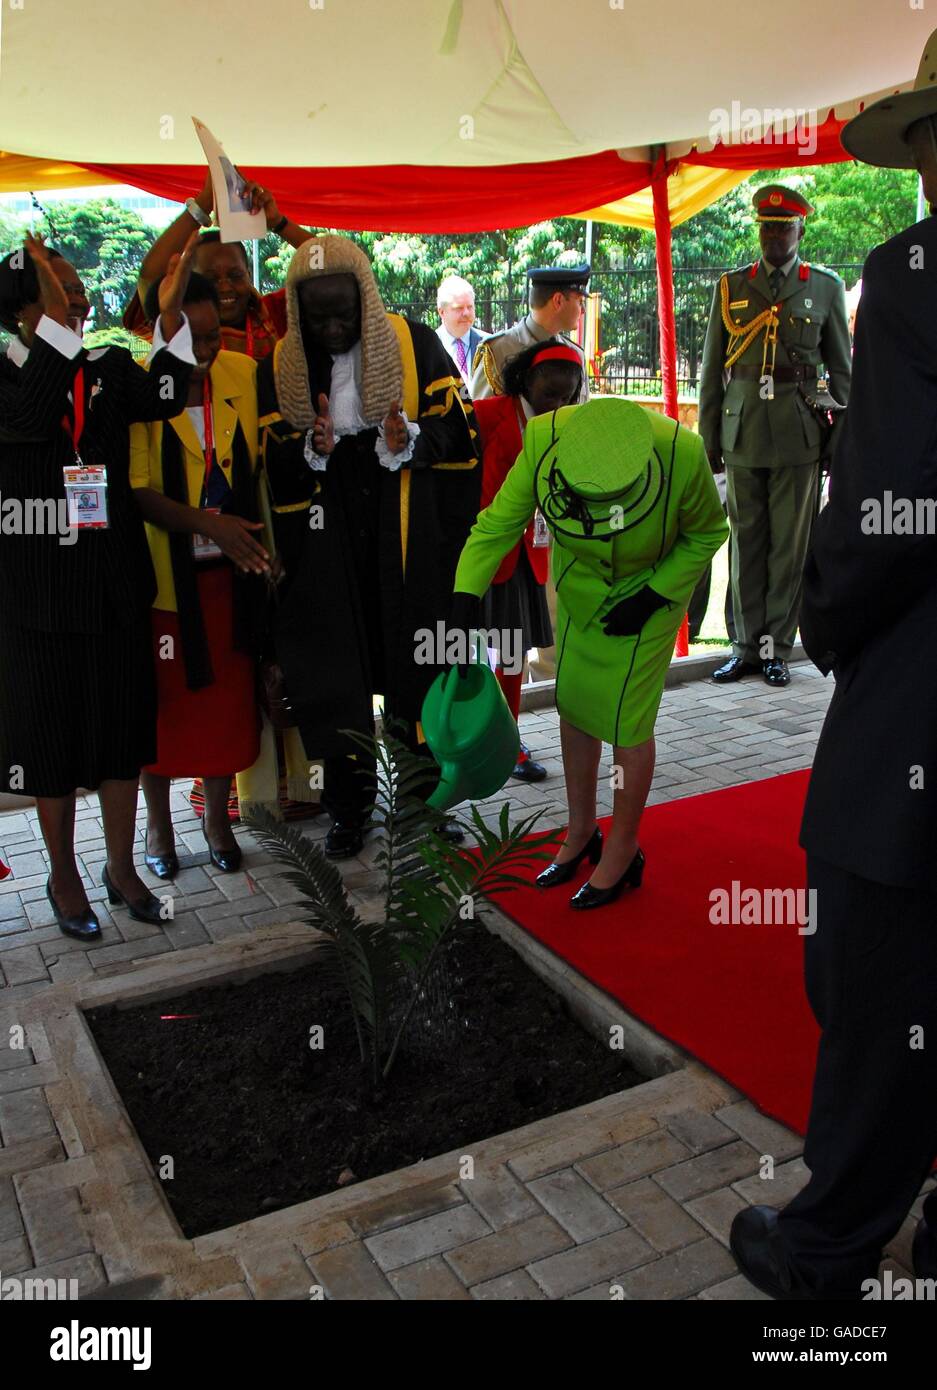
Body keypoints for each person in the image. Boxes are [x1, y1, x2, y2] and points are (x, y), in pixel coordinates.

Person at [729, 30, 937, 1301]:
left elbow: (890, 506)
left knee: (870, 967)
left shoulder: (911, 273)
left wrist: (830, 617)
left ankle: (825, 1252)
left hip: (920, 689)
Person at [451, 396, 727, 910]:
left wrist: (652, 595)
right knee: (574, 707)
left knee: (626, 720)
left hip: (650, 595)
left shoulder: (682, 453)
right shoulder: (541, 439)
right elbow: (497, 524)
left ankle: (622, 850)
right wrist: (466, 595)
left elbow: (710, 530)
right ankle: (581, 832)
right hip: (581, 595)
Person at [258, 234, 480, 858]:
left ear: (368, 302)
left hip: (401, 524)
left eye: (344, 313)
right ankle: (348, 809)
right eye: (317, 316)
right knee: (334, 675)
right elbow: (269, 462)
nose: (332, 327)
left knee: (417, 668)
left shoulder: (416, 344)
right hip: (325, 538)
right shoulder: (278, 364)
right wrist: (310, 450)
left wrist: (407, 435)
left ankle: (421, 803)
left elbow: (460, 434)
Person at [0, 233, 195, 940]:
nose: (78, 299)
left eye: (78, 291)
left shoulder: (107, 367)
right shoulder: (9, 375)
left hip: (113, 587)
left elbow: (171, 394)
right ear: (24, 308)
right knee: (51, 745)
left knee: (120, 737)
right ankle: (62, 875)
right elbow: (27, 420)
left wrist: (169, 314)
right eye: (60, 289)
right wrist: (51, 316)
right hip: (38, 601)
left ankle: (121, 867)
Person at [130, 273, 268, 879]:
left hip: (231, 579)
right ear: (168, 332)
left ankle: (217, 818)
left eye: (215, 335)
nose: (209, 349)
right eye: (195, 337)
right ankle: (158, 827)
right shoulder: (139, 385)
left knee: (225, 707)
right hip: (164, 583)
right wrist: (211, 527)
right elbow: (134, 491)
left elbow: (261, 469)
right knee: (163, 712)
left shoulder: (241, 374)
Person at [699, 186, 851, 688]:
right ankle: (744, 648)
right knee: (744, 543)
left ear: (799, 231)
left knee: (789, 545)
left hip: (798, 434)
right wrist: (709, 441)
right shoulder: (732, 286)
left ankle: (775, 650)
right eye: (766, 226)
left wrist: (839, 440)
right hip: (741, 433)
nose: (774, 236)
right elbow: (709, 373)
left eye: (783, 228)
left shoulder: (824, 288)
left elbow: (842, 374)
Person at [474, 339, 584, 782]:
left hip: (527, 557)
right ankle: (464, 740)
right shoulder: (487, 415)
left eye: (567, 395)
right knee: (460, 651)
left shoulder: (568, 426)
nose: (557, 402)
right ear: (526, 381)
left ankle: (508, 740)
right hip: (480, 555)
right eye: (550, 393)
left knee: (514, 653)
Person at [125, 170, 311, 357]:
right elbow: (149, 277)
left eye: (235, 275)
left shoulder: (274, 313)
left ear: (249, 275)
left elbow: (333, 264)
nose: (224, 286)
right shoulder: (180, 322)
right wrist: (203, 204)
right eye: (211, 279)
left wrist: (278, 223)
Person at [470, 264, 591, 402]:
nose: (583, 310)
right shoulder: (497, 351)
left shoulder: (576, 354)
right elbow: (479, 418)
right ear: (558, 301)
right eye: (580, 301)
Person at [435, 274, 487, 390]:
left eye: (470, 307)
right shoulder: (429, 348)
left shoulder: (489, 344)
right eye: (459, 308)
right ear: (442, 312)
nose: (466, 313)